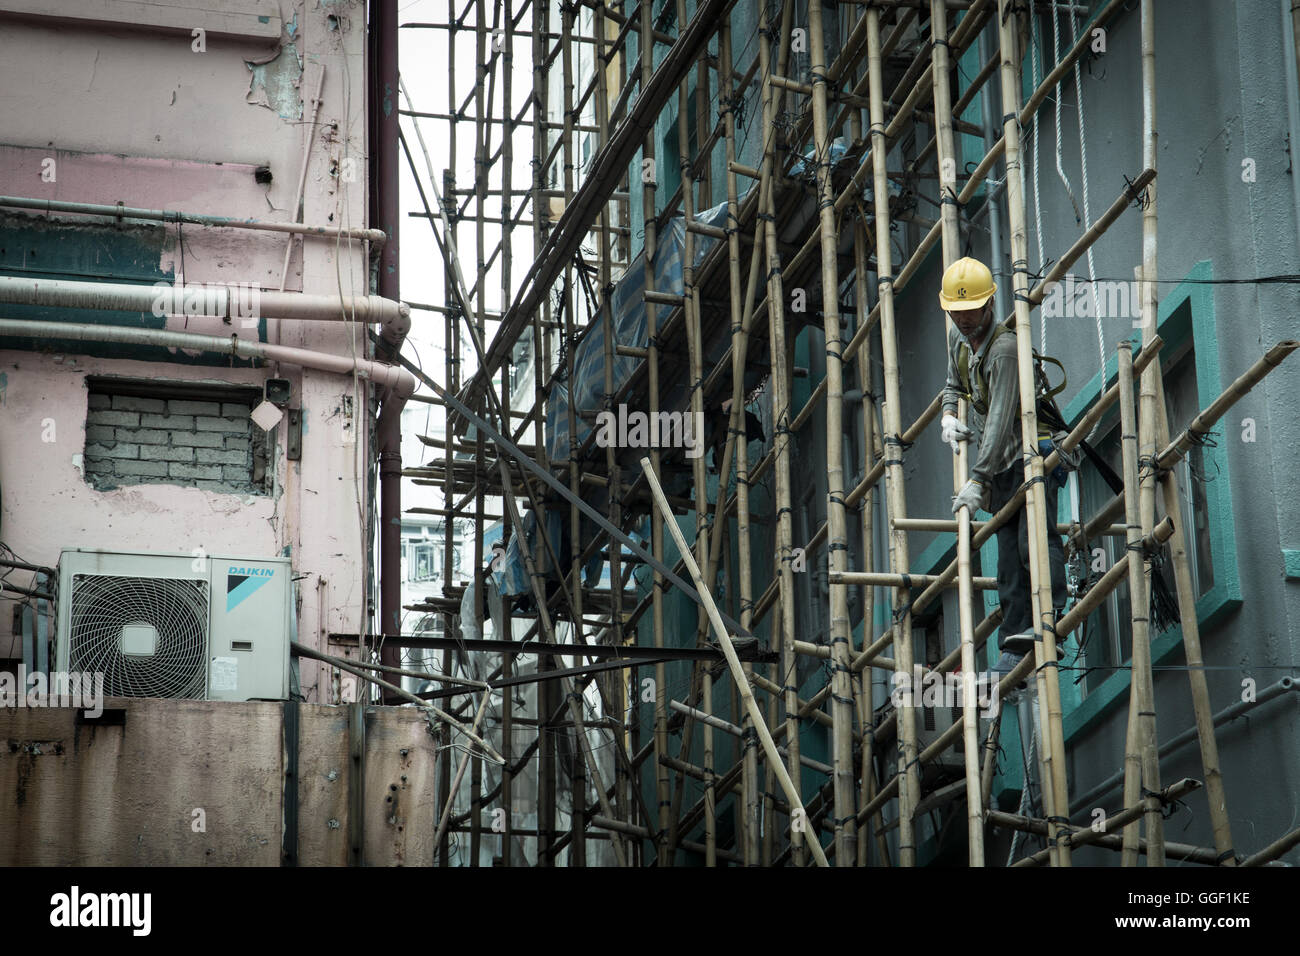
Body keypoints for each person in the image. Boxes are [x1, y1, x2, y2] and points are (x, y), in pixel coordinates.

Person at [938, 257, 1067, 677]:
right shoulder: (962, 344)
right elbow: (953, 385)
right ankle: (1015, 641)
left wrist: (977, 479)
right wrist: (947, 414)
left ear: (989, 303)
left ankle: (1053, 618)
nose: (963, 319)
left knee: (1035, 541)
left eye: (970, 310)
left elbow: (997, 423)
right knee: (1008, 559)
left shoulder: (1005, 350)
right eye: (956, 312)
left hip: (1033, 455)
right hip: (1003, 469)